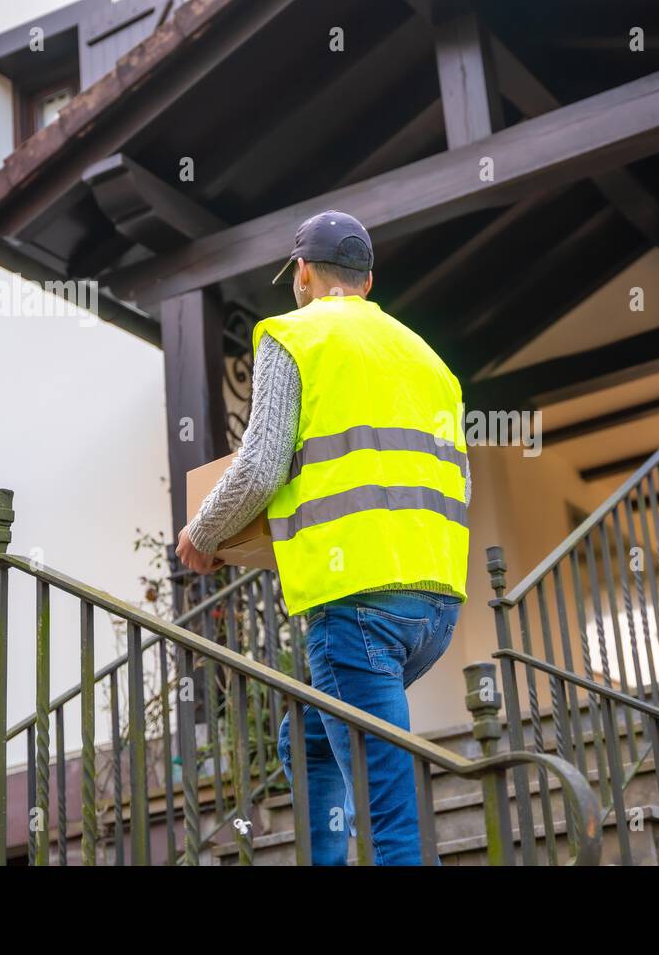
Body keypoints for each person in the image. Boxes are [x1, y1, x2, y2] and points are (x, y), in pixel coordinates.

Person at [176, 210, 469, 865]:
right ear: (368, 280)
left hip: (356, 610)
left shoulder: (295, 336)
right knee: (305, 742)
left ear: (302, 273)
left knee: (390, 816)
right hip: (435, 610)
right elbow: (458, 485)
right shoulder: (429, 361)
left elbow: (258, 465)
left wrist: (202, 533)